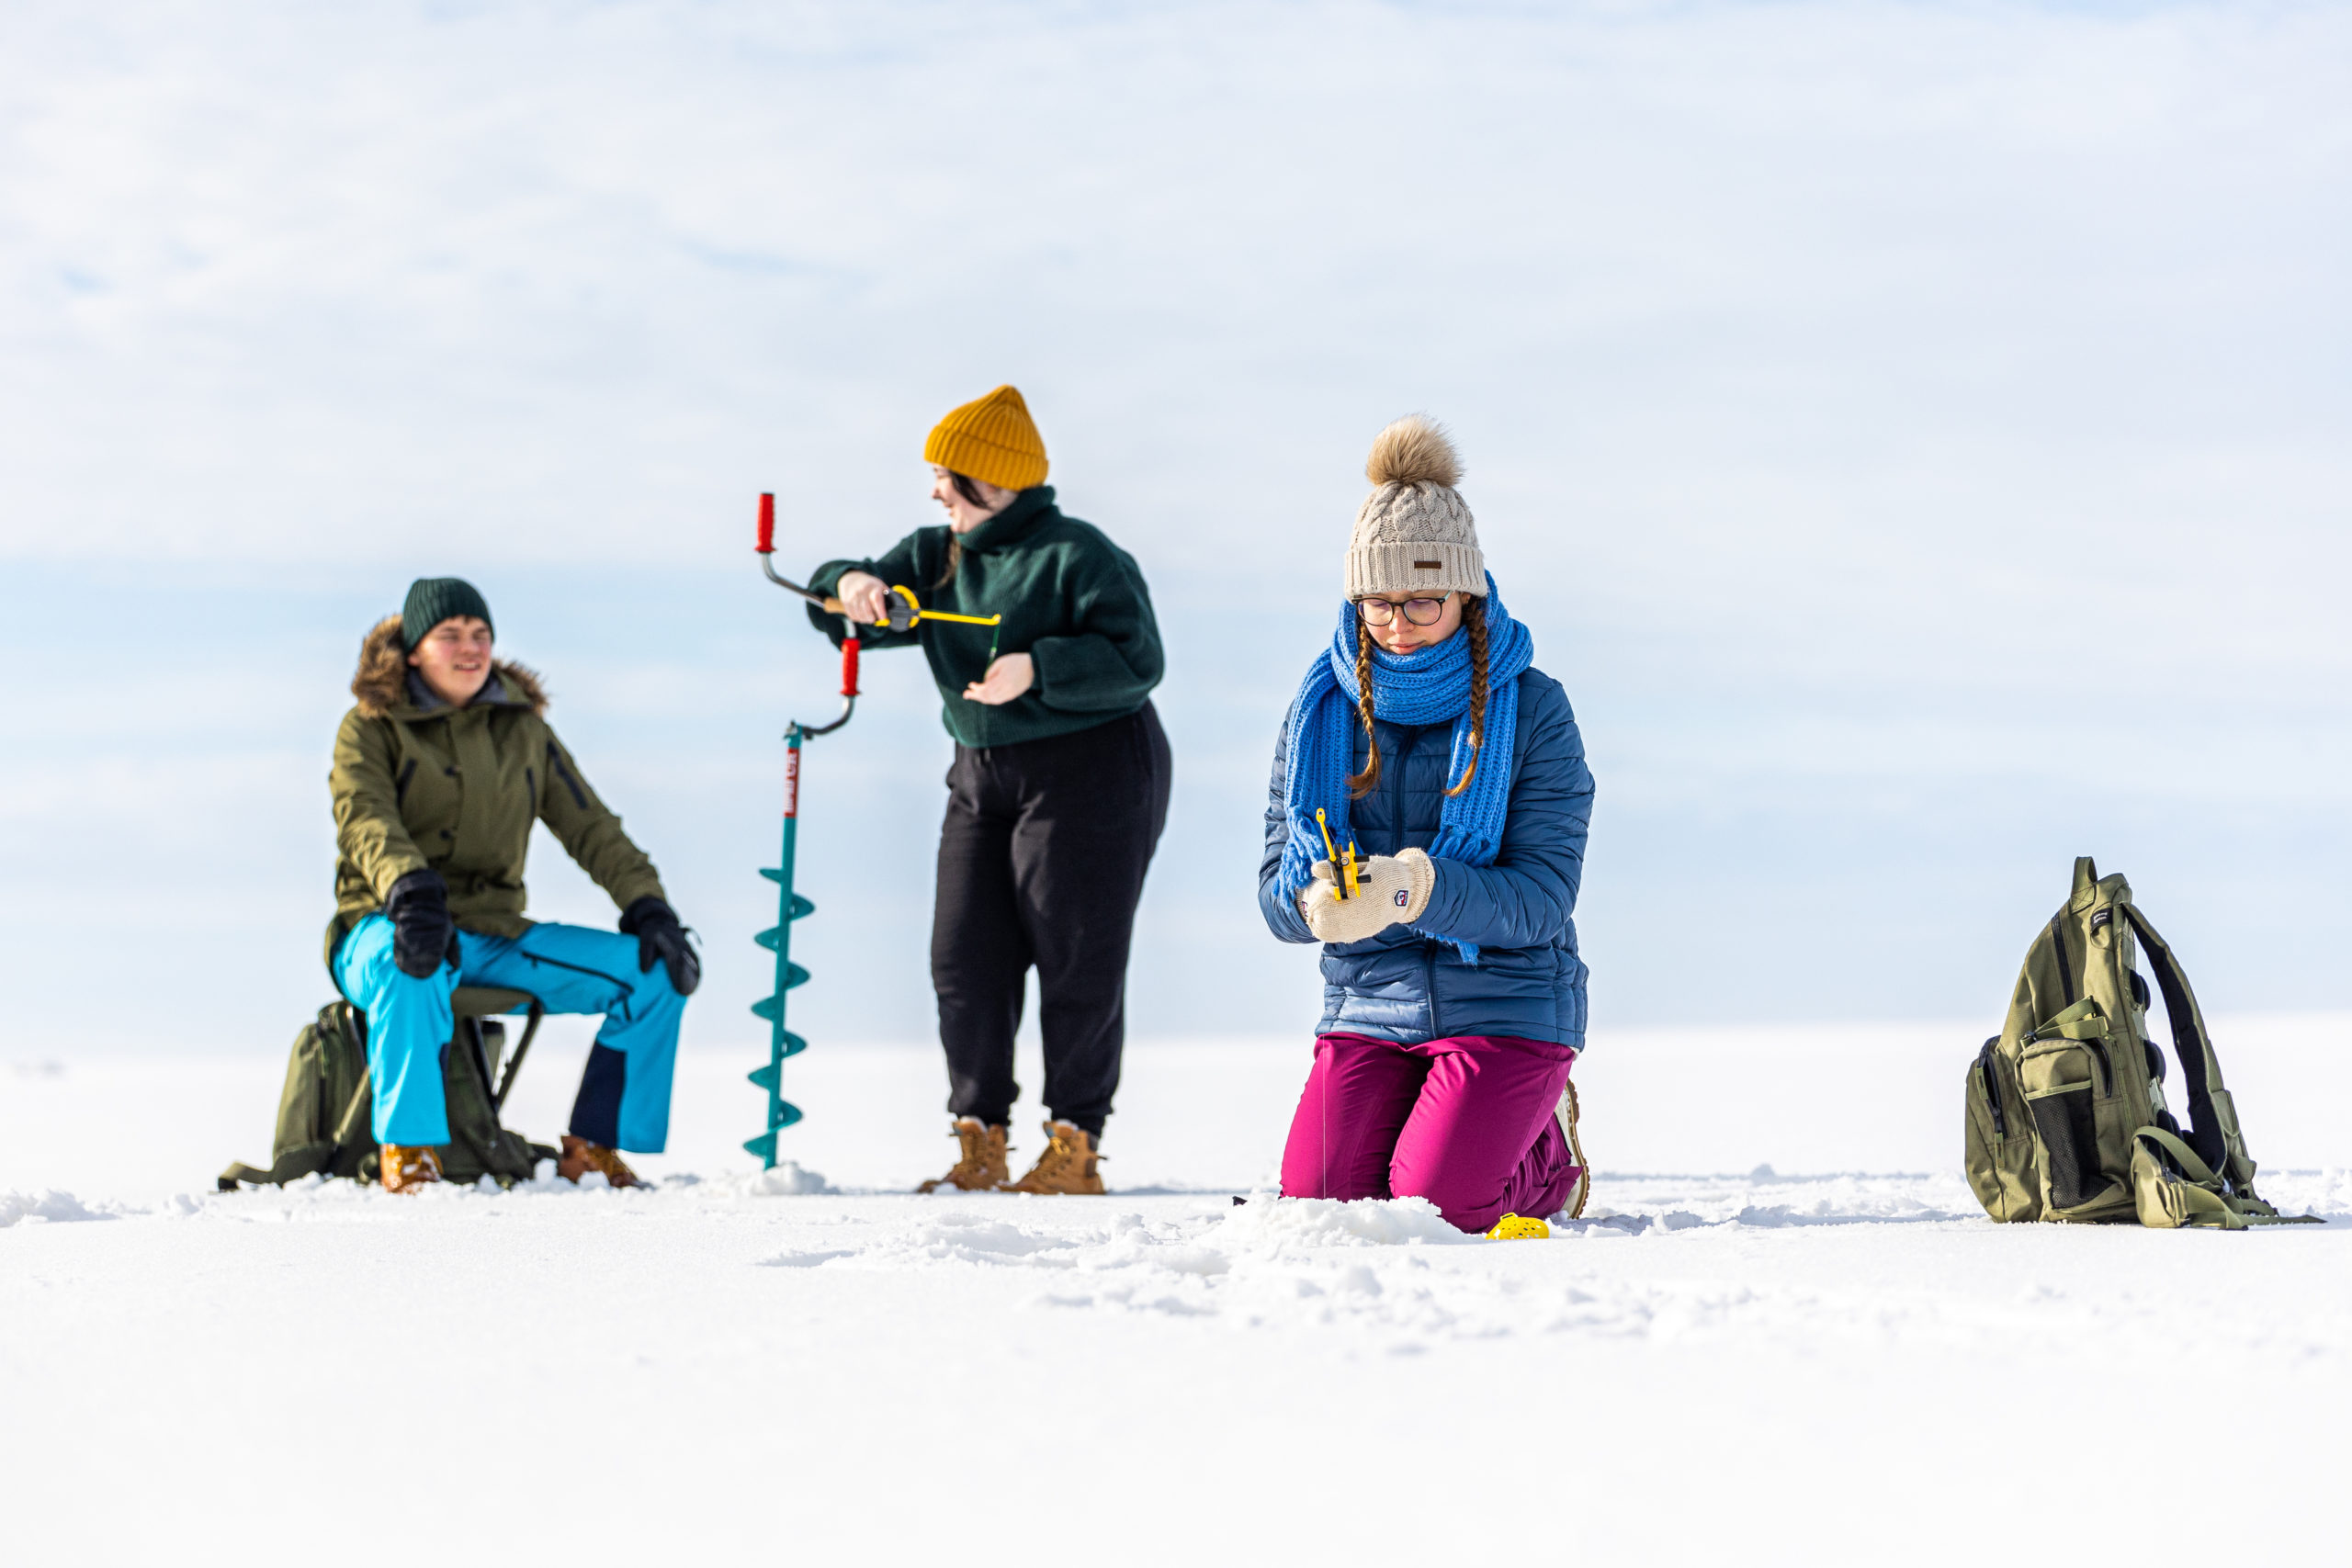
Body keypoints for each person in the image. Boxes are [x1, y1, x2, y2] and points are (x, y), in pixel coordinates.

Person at [805, 385, 1170, 1195]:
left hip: (1095, 767)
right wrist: (856, 583)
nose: (937, 492)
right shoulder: (939, 554)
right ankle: (980, 1140)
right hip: (982, 771)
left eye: (949, 477)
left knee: (1074, 952)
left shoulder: (1080, 555)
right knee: (964, 955)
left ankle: (1074, 1144)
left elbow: (1139, 660)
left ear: (994, 480)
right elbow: (832, 604)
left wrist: (1040, 667)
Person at [1258, 415, 1595, 1235]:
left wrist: (1414, 888)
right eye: (1377, 604)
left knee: (1440, 1210)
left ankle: (1544, 1154)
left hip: (1505, 1004)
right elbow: (1272, 889)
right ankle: (1445, 1120)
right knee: (1321, 1209)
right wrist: (1312, 904)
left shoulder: (1534, 708)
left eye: (1422, 601)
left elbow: (1541, 900)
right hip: (1368, 1004)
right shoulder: (1319, 714)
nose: (1398, 626)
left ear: (1467, 594)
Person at [328, 577, 701, 1193]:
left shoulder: (524, 732)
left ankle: (593, 1148)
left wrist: (647, 903)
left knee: (655, 973)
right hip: (385, 925)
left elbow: (591, 825)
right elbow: (367, 818)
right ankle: (410, 1154)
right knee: (408, 966)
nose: (469, 647)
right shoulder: (369, 726)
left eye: (480, 634)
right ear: (415, 648)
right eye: (450, 634)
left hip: (494, 934)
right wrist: (411, 892)